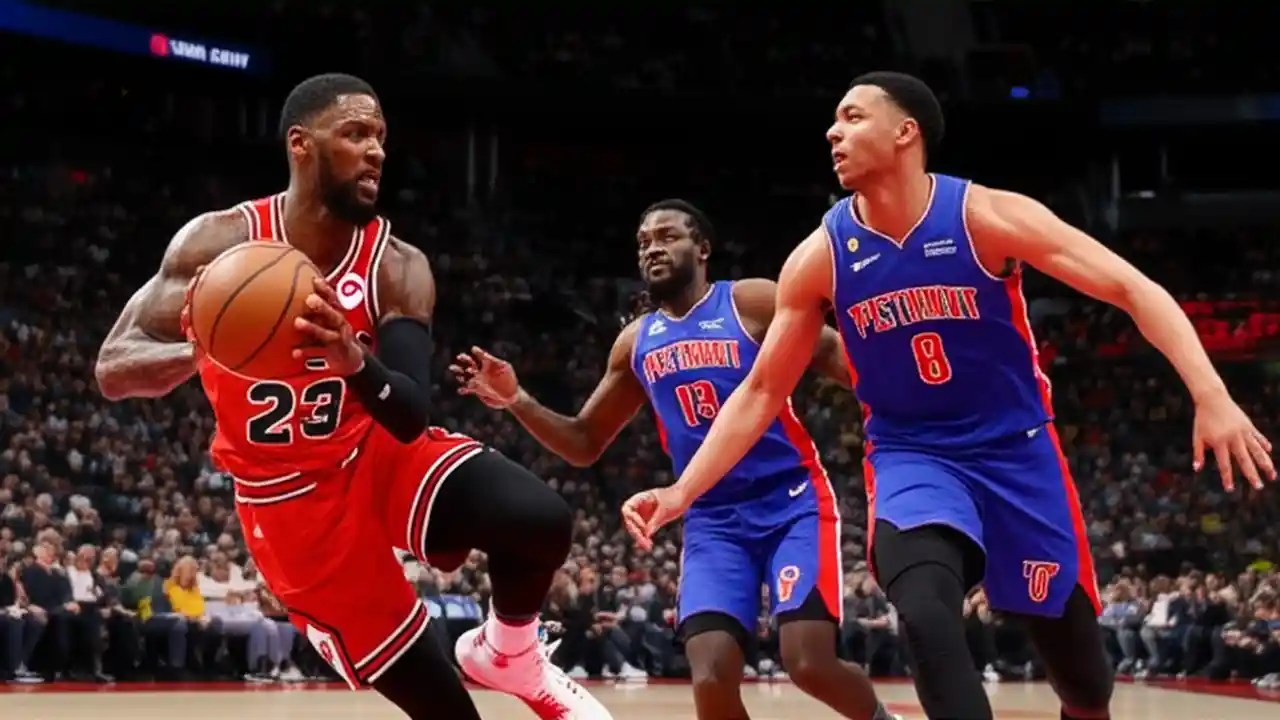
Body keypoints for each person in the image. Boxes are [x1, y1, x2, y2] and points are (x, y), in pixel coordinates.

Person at [621, 72, 1276, 720]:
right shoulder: (820, 256)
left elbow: (1132, 288)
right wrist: (682, 493)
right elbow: (763, 388)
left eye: (853, 117)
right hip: (912, 456)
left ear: (906, 131)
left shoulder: (986, 216)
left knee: (1083, 681)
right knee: (926, 613)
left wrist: (1210, 392)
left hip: (1017, 454)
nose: (833, 130)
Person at [95, 73, 610, 720]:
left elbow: (410, 415)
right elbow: (113, 368)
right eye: (356, 134)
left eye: (382, 138)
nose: (377, 151)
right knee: (451, 713)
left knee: (542, 522)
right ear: (301, 145)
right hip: (289, 503)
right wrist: (208, 351)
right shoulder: (218, 244)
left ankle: (510, 653)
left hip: (374, 450)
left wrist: (353, 361)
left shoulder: (396, 266)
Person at [451, 200, 895, 719]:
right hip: (712, 519)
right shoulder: (636, 342)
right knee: (708, 678)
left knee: (807, 662)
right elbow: (584, 441)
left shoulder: (751, 301)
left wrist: (897, 399)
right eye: (643, 243)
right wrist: (517, 400)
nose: (653, 249)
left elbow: (834, 356)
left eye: (667, 237)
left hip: (791, 501)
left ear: (702, 248)